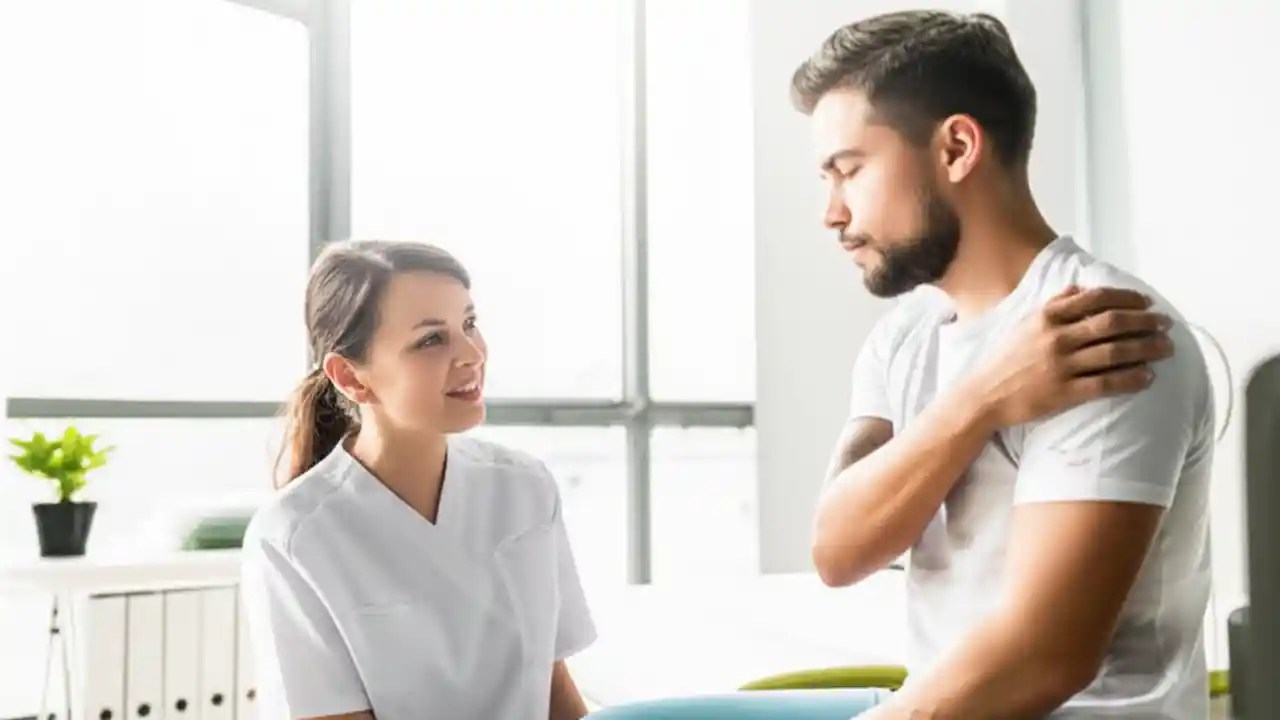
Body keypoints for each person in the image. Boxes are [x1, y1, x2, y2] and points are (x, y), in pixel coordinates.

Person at [590, 9, 1210, 720]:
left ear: (955, 148)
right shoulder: (908, 336)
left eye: (848, 171)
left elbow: (1044, 658)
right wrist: (980, 397)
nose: (831, 212)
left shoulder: (1101, 330)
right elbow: (839, 549)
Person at [240, 240, 597, 720]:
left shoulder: (526, 490)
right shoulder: (293, 537)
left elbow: (552, 689)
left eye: (469, 324)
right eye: (432, 339)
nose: (471, 354)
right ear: (350, 377)